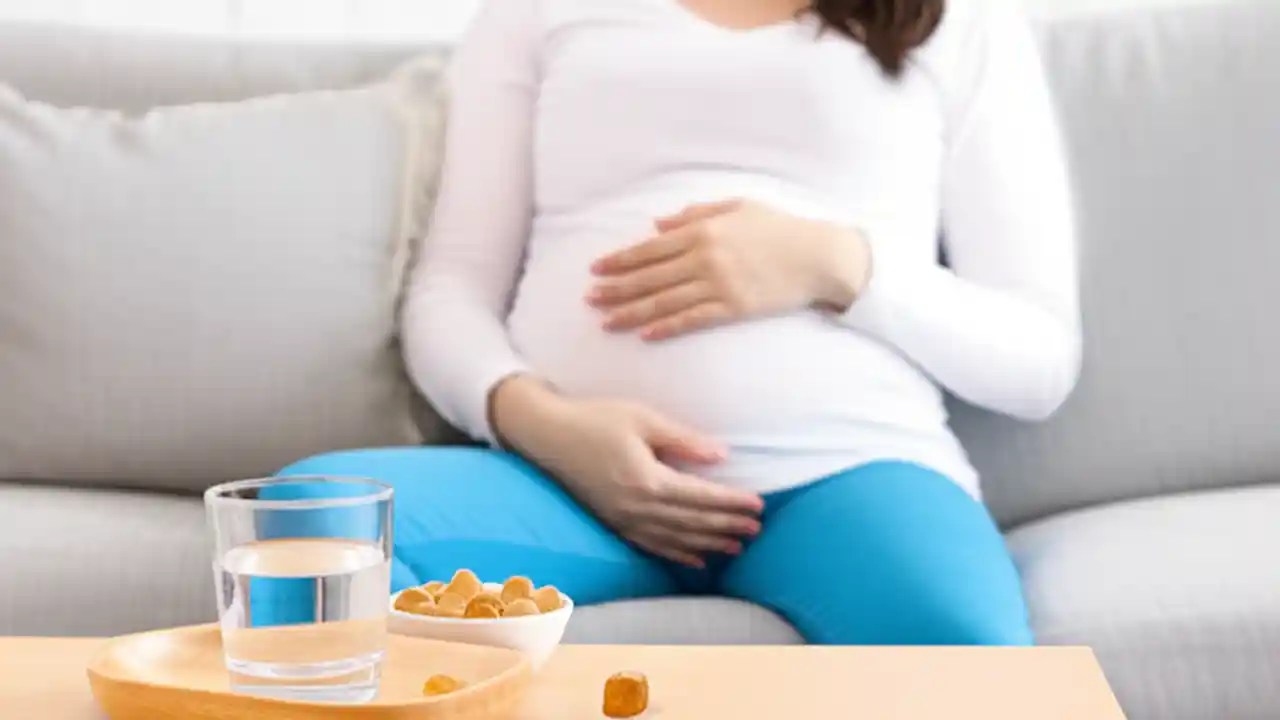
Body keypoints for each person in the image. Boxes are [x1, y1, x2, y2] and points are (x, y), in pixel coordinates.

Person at [281, 0, 1080, 645]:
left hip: (846, 475)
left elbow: (1038, 360)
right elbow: (450, 289)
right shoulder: (536, 13)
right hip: (565, 486)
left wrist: (840, 266)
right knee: (306, 528)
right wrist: (545, 425)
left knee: (970, 654)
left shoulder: (961, 19)